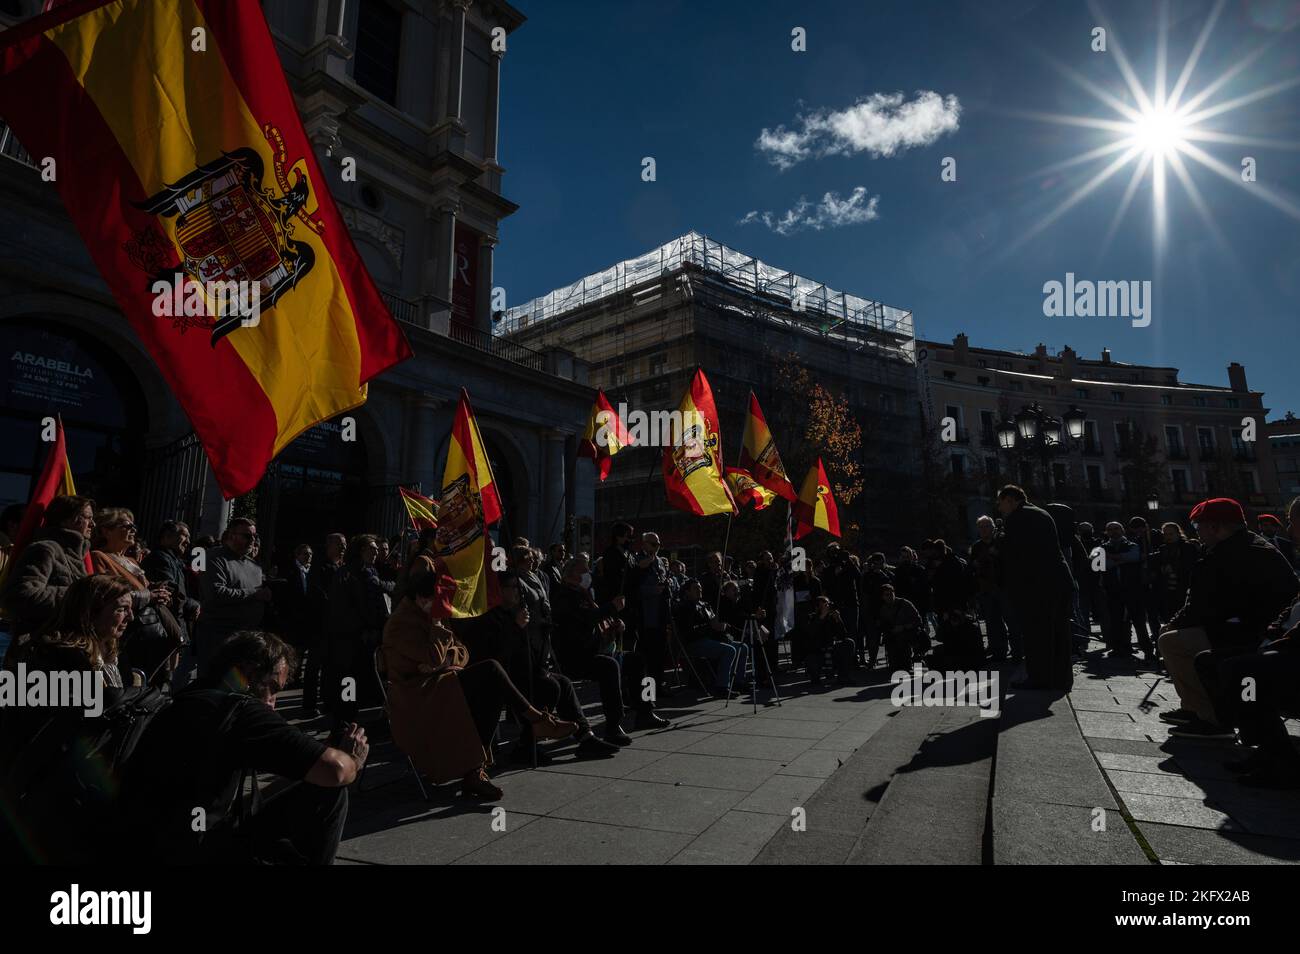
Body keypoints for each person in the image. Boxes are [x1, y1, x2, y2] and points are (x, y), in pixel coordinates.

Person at [123, 631, 366, 864]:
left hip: (160, 845)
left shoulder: (188, 697)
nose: (273, 702)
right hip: (202, 851)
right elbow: (336, 770)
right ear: (247, 673)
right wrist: (351, 760)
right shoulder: (241, 710)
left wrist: (305, 763)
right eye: (272, 688)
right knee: (331, 792)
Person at [383, 571, 577, 799]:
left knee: (492, 685)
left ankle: (475, 771)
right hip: (417, 695)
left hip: (441, 684)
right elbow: (432, 657)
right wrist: (436, 628)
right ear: (422, 597)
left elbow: (463, 653)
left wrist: (444, 660)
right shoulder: (402, 623)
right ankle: (535, 720)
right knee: (491, 670)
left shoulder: (431, 613)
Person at [0, 575, 136, 863]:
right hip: (44, 789)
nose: (130, 617)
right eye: (122, 608)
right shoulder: (58, 656)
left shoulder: (108, 655)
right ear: (91, 610)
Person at [1157, 497, 1299, 738]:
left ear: (1215, 527)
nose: (1197, 533)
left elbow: (1202, 606)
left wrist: (1174, 623)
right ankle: (1196, 708)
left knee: (1171, 641)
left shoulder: (1225, 554)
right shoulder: (1252, 545)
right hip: (1261, 626)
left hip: (1258, 632)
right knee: (1176, 636)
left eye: (1197, 526)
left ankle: (1210, 717)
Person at [466, 572, 619, 762]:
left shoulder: (516, 611)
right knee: (549, 686)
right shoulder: (492, 616)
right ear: (500, 591)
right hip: (507, 675)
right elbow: (499, 654)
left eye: (519, 587)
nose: (518, 592)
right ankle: (527, 743)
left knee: (562, 682)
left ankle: (585, 736)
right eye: (513, 587)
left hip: (528, 668)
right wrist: (516, 627)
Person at [552, 559, 668, 742]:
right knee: (609, 666)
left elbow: (597, 621)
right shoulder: (564, 596)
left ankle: (646, 710)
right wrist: (612, 607)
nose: (588, 573)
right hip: (577, 655)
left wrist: (613, 625)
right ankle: (614, 724)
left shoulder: (584, 594)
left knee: (638, 660)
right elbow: (586, 619)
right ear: (570, 573)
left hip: (597, 649)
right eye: (584, 570)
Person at [90, 508, 184, 687]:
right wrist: (149, 595)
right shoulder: (99, 557)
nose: (133, 530)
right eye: (127, 526)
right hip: (128, 635)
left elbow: (143, 590)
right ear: (105, 530)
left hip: (153, 632)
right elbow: (108, 594)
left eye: (134, 526)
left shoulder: (132, 561)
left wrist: (157, 590)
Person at [996, 484, 1073, 690]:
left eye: (1001, 502)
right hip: (1059, 581)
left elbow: (1016, 556)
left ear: (1011, 499)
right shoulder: (1042, 513)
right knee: (1059, 633)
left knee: (1036, 633)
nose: (999, 507)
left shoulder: (1017, 518)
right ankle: (1061, 678)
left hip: (1037, 585)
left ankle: (1039, 678)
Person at [1, 495, 95, 662]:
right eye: (88, 517)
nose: (92, 524)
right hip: (38, 654)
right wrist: (76, 596)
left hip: (65, 650)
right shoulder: (45, 549)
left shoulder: (77, 556)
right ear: (67, 520)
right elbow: (18, 595)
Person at [324, 534, 394, 720]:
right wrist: (361, 629)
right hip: (350, 640)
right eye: (372, 548)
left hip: (367, 638)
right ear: (361, 550)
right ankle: (344, 722)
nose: (377, 551)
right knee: (348, 682)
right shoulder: (346, 574)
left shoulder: (370, 572)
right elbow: (341, 610)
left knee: (362, 681)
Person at [196, 518, 271, 672]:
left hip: (246, 638)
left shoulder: (254, 566)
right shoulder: (212, 557)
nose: (253, 540)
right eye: (247, 536)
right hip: (218, 637)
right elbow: (216, 593)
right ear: (231, 535)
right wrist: (255, 594)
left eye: (254, 537)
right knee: (213, 684)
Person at [673, 577, 751, 697]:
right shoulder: (684, 607)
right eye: (695, 588)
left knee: (743, 647)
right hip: (695, 642)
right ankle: (722, 687)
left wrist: (721, 627)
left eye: (700, 587)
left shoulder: (705, 604)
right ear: (687, 591)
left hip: (710, 639)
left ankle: (738, 681)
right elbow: (689, 631)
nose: (699, 590)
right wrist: (710, 627)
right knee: (729, 650)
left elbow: (714, 623)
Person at [627, 531, 674, 694]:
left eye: (658, 544)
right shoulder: (637, 559)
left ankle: (658, 686)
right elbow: (634, 589)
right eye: (653, 544)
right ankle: (648, 691)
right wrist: (654, 590)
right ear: (644, 544)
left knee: (659, 654)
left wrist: (667, 586)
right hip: (646, 615)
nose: (657, 547)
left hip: (661, 612)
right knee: (647, 655)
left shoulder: (660, 561)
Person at [969, 516, 1015, 661]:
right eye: (981, 527)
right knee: (993, 623)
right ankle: (998, 652)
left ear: (993, 526)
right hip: (986, 589)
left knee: (1012, 621)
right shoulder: (976, 546)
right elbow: (973, 566)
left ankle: (1017, 652)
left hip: (1004, 587)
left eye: (986, 526)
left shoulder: (1002, 541)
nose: (983, 529)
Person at [800, 595, 855, 686]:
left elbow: (843, 635)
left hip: (831, 649)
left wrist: (838, 619)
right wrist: (822, 616)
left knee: (849, 642)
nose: (827, 607)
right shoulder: (810, 617)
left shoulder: (831, 617)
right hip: (816, 651)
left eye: (828, 604)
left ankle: (843, 677)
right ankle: (815, 679)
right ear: (817, 607)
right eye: (824, 605)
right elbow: (811, 633)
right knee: (811, 656)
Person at [1151, 522, 1198, 623]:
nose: (1168, 537)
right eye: (1166, 534)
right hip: (1167, 591)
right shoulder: (1162, 549)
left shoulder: (1188, 547)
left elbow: (1191, 566)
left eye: (1171, 534)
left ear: (1178, 533)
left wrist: (1173, 567)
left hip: (1183, 589)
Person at [876, 582, 923, 670]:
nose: (890, 596)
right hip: (893, 635)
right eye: (887, 594)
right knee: (895, 666)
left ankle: (915, 660)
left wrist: (903, 627)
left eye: (891, 593)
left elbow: (918, 621)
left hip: (908, 632)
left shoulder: (905, 604)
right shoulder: (883, 609)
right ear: (882, 597)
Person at [859, 552, 893, 667]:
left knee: (889, 636)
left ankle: (891, 659)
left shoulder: (887, 574)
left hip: (886, 609)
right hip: (872, 609)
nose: (877, 565)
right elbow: (865, 590)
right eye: (875, 563)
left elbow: (891, 586)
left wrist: (882, 574)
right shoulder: (868, 575)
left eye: (880, 563)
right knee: (873, 637)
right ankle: (872, 659)